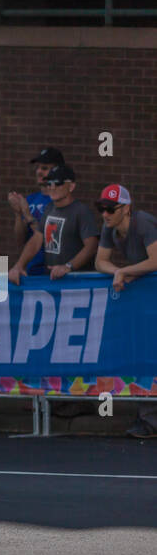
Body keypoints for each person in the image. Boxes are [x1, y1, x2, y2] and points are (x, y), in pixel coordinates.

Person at [91, 184, 157, 439]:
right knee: (144, 353)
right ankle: (148, 416)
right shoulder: (110, 228)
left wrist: (126, 271)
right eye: (101, 208)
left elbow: (156, 259)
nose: (105, 214)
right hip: (148, 298)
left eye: (110, 209)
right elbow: (100, 262)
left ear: (126, 209)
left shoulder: (143, 223)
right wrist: (119, 271)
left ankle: (148, 416)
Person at [8, 163, 99, 285]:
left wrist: (68, 266)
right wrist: (19, 265)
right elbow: (37, 239)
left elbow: (92, 246)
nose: (52, 187)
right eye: (49, 183)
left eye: (58, 183)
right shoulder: (50, 208)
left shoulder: (81, 211)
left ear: (71, 186)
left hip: (77, 283)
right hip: (53, 281)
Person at [8, 147, 62, 278]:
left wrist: (27, 215)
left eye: (44, 168)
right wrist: (17, 214)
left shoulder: (60, 201)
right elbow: (20, 241)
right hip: (30, 270)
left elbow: (50, 240)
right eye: (37, 168)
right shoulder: (30, 199)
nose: (39, 172)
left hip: (52, 272)